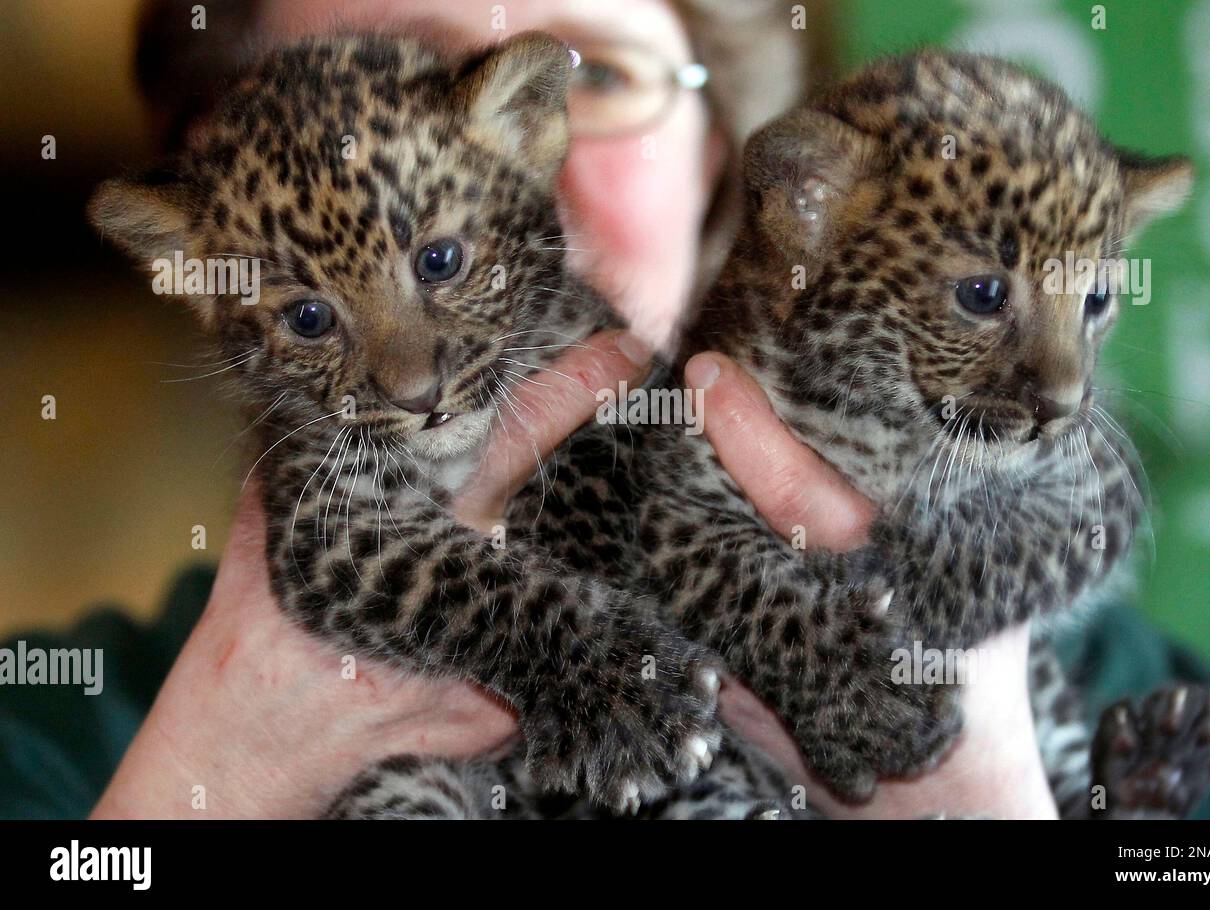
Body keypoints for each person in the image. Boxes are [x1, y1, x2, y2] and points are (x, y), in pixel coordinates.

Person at [42, 0, 1062, 819]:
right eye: (310, 313)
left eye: (595, 78)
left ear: (724, 153)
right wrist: (211, 777)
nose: (410, 377)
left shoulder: (1056, 653)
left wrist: (975, 801)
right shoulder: (54, 726)